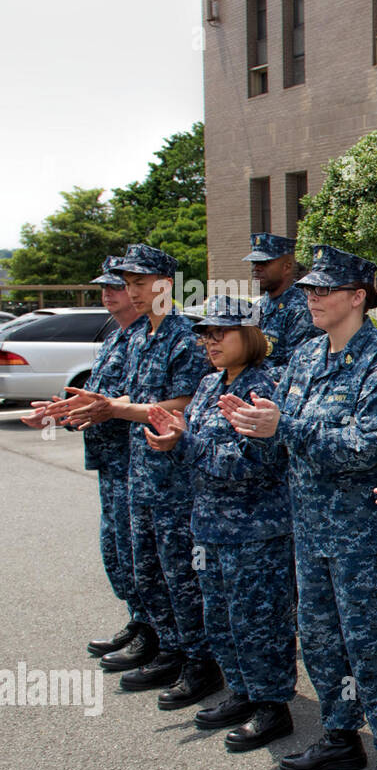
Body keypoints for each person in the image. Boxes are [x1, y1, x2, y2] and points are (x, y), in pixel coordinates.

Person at [222, 244, 377, 770]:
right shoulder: (307, 357)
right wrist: (259, 426)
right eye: (307, 289)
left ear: (358, 297)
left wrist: (286, 426)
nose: (311, 298)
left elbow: (365, 447)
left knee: (376, 648)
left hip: (369, 539)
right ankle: (340, 736)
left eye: (323, 290)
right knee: (322, 640)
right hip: (310, 531)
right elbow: (282, 432)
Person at [54, 244, 216, 701]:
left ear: (166, 284)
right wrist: (86, 408)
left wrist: (119, 410)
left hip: (173, 478)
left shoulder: (185, 336)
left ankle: (199, 662)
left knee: (181, 576)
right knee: (147, 571)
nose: (132, 292)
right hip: (139, 473)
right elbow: (120, 401)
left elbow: (186, 403)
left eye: (140, 283)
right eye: (128, 284)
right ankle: (167, 647)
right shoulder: (141, 335)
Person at [145, 296, 297, 750]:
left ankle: (272, 706)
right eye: (204, 334)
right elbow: (200, 452)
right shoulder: (211, 384)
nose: (208, 342)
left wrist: (186, 444)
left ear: (248, 336)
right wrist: (176, 439)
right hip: (210, 525)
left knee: (260, 620)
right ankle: (242, 691)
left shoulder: (264, 386)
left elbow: (251, 462)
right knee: (223, 617)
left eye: (220, 333)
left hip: (256, 529)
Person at [25, 258, 151, 668]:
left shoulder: (149, 338)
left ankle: (156, 634)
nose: (112, 293)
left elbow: (145, 404)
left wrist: (104, 408)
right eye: (108, 287)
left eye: (121, 285)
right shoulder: (117, 337)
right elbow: (96, 399)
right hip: (112, 462)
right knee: (118, 551)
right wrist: (58, 411)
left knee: (144, 556)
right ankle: (140, 622)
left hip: (140, 463)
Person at [243, 233, 320, 384]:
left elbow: (299, 367)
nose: (256, 268)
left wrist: (248, 376)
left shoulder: (301, 310)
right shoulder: (260, 306)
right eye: (254, 262)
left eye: (264, 263)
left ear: (287, 267)